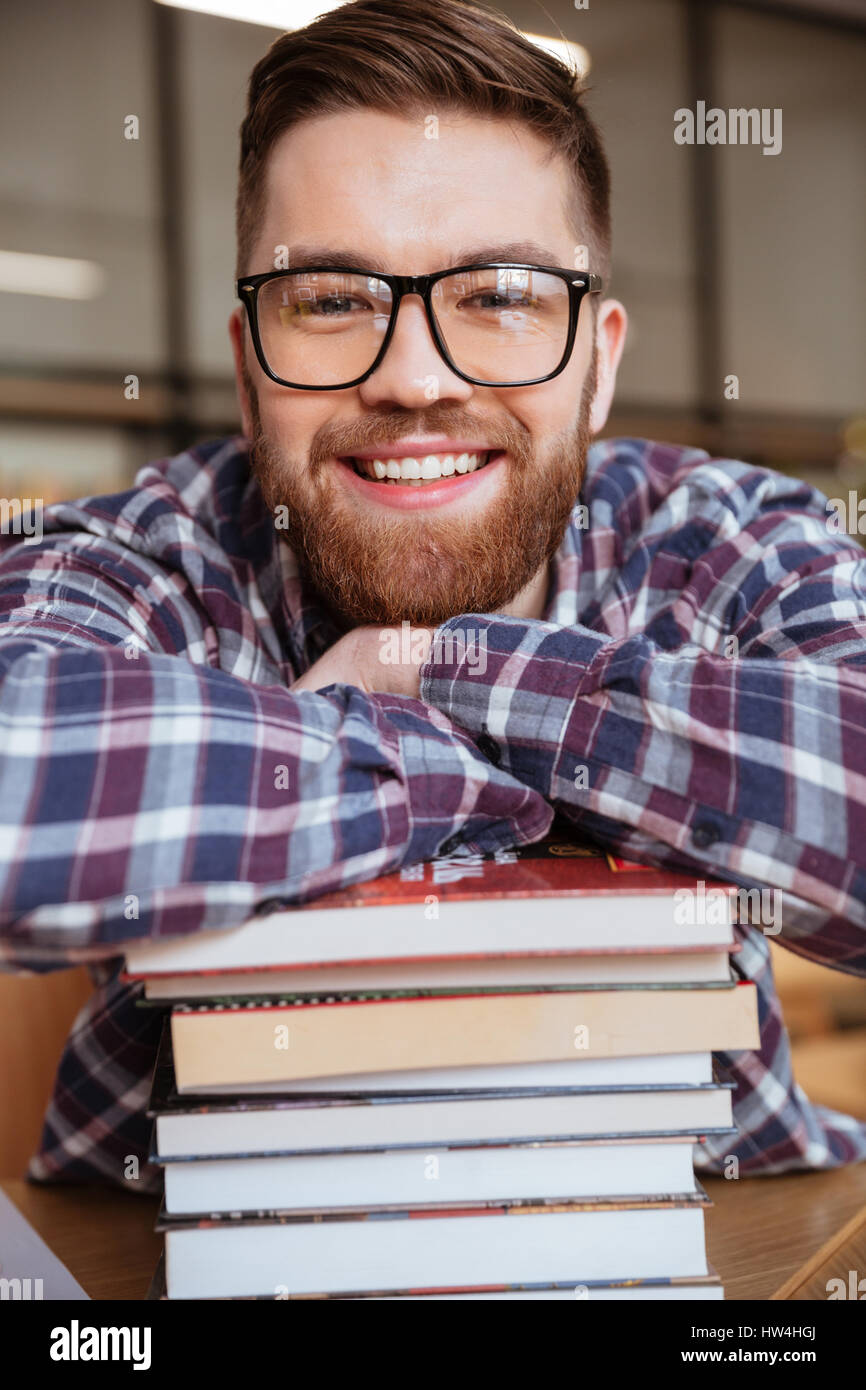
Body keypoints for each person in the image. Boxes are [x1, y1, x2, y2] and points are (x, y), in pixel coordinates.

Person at [1, 0, 864, 1195]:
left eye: (501, 294)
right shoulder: (159, 555)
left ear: (599, 361)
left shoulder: (721, 539)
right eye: (333, 300)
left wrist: (429, 671)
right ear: (251, 372)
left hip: (735, 1239)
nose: (414, 378)